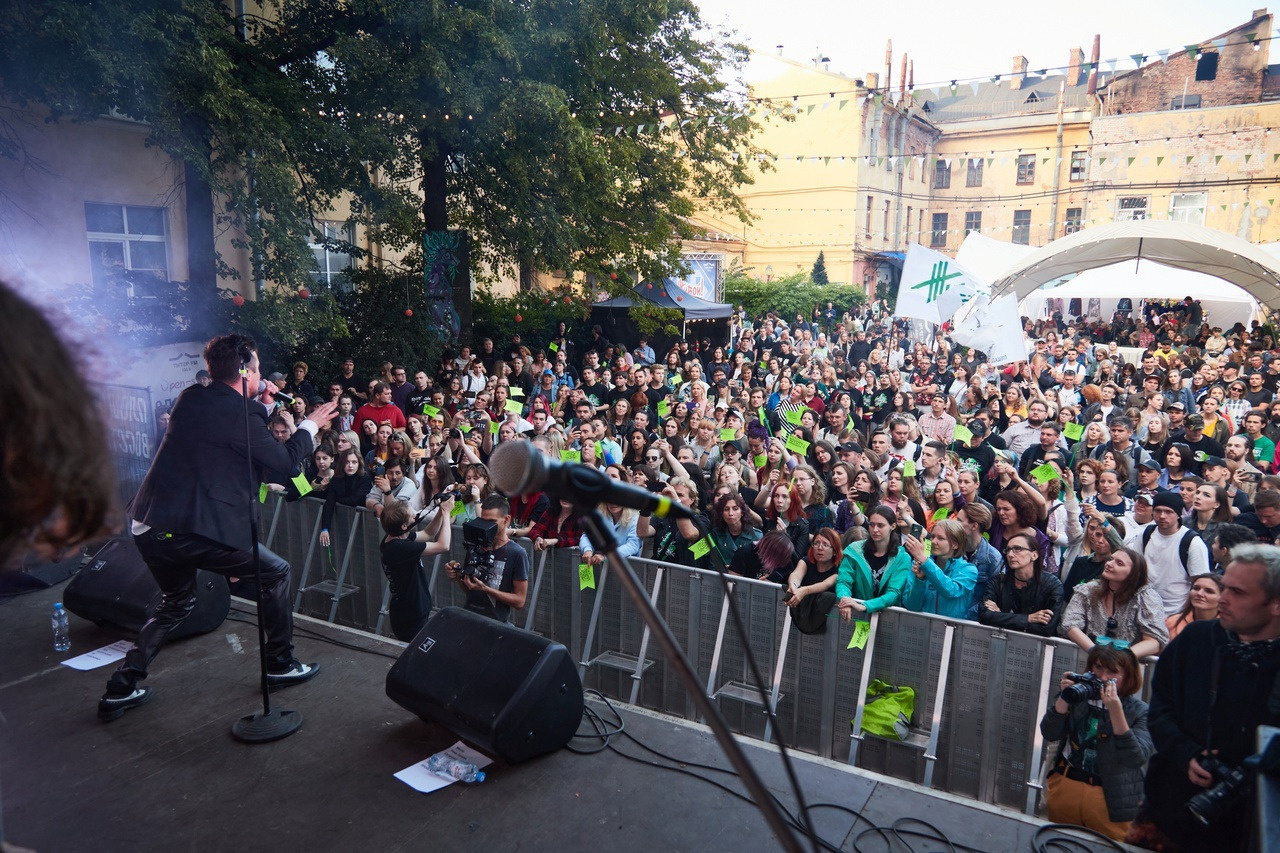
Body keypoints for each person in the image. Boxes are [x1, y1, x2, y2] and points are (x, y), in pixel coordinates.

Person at [99, 333, 338, 721]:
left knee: (178, 602)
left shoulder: (190, 398)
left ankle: (121, 686)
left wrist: (258, 405)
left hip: (147, 525)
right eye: (258, 368)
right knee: (276, 573)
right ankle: (279, 662)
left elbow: (232, 432)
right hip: (188, 529)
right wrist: (308, 427)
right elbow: (282, 462)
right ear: (245, 370)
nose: (262, 375)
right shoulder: (241, 415)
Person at [1128, 544, 1280, 853]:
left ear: (1275, 604)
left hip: (1248, 832)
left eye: (1238, 593)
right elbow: (1159, 710)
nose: (1222, 599)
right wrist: (1187, 753)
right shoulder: (1196, 638)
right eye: (1226, 587)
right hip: (1169, 816)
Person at [1039, 645, 1153, 841]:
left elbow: (1135, 758)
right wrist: (1064, 698)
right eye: (1098, 667)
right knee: (1059, 843)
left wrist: (1115, 710)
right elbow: (1049, 732)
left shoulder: (1141, 710)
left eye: (1112, 672)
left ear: (1129, 677)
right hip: (1066, 786)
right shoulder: (1078, 695)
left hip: (1111, 797)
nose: (1103, 677)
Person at [1059, 547, 1167, 659]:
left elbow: (1154, 641)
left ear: (1134, 573)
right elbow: (1070, 625)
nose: (1109, 564)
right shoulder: (1087, 590)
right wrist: (1094, 651)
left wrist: (1122, 658)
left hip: (1128, 668)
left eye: (1119, 563)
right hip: (1090, 662)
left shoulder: (1146, 597)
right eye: (1110, 559)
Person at [443, 495, 529, 623]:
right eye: (483, 521)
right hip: (469, 617)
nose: (486, 526)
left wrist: (486, 589)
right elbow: (469, 588)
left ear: (506, 520)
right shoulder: (475, 545)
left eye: (491, 522)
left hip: (496, 623)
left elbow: (519, 601)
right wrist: (457, 575)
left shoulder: (517, 553)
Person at [379, 498, 454, 642]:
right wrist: (446, 513)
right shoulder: (399, 548)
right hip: (410, 613)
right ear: (404, 526)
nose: (415, 515)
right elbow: (443, 545)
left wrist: (439, 511)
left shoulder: (395, 538)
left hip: (409, 608)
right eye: (412, 515)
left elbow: (428, 534)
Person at [979, 532, 1065, 636]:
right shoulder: (998, 581)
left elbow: (1046, 629)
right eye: (1008, 550)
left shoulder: (1053, 585)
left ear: (1034, 555)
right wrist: (1028, 618)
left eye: (1017, 549)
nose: (1010, 554)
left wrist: (1000, 615)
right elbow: (984, 615)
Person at [835, 506, 912, 619]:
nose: (875, 530)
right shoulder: (854, 550)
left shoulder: (903, 558)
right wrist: (845, 599)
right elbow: (843, 581)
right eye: (871, 525)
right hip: (857, 615)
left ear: (892, 526)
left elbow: (894, 593)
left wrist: (865, 606)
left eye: (880, 525)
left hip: (888, 617)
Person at [901, 518, 977, 619]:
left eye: (940, 538)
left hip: (952, 631)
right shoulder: (919, 563)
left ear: (955, 544)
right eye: (932, 536)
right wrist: (919, 580)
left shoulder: (969, 570)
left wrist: (925, 561)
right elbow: (911, 606)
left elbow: (950, 591)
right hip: (923, 629)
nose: (933, 541)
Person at [783, 528, 841, 633]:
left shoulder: (840, 569)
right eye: (816, 543)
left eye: (825, 544)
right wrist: (793, 585)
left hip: (831, 626)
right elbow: (796, 575)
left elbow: (826, 584)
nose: (820, 548)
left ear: (835, 551)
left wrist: (804, 591)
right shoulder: (806, 561)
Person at [1164, 573, 1223, 642]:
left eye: (1209, 591)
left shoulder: (1230, 628)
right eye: (1196, 588)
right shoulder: (1171, 622)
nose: (1199, 594)